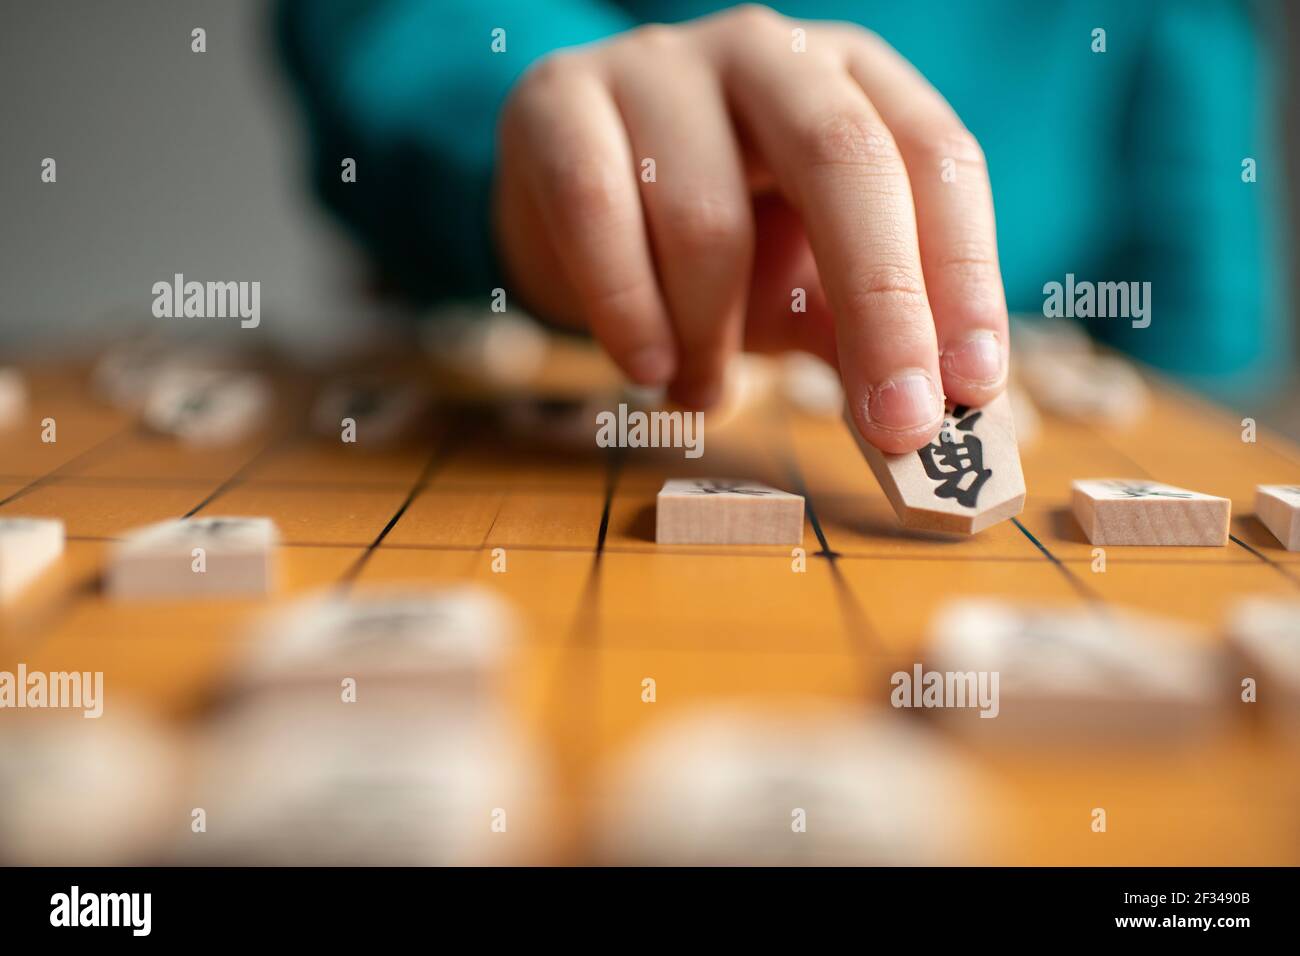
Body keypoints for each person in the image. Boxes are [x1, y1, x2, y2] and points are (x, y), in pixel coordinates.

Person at [277, 1, 1288, 452]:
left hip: (1038, 405)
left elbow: (1197, 358)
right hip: (517, 367)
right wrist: (544, 171)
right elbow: (395, 24)